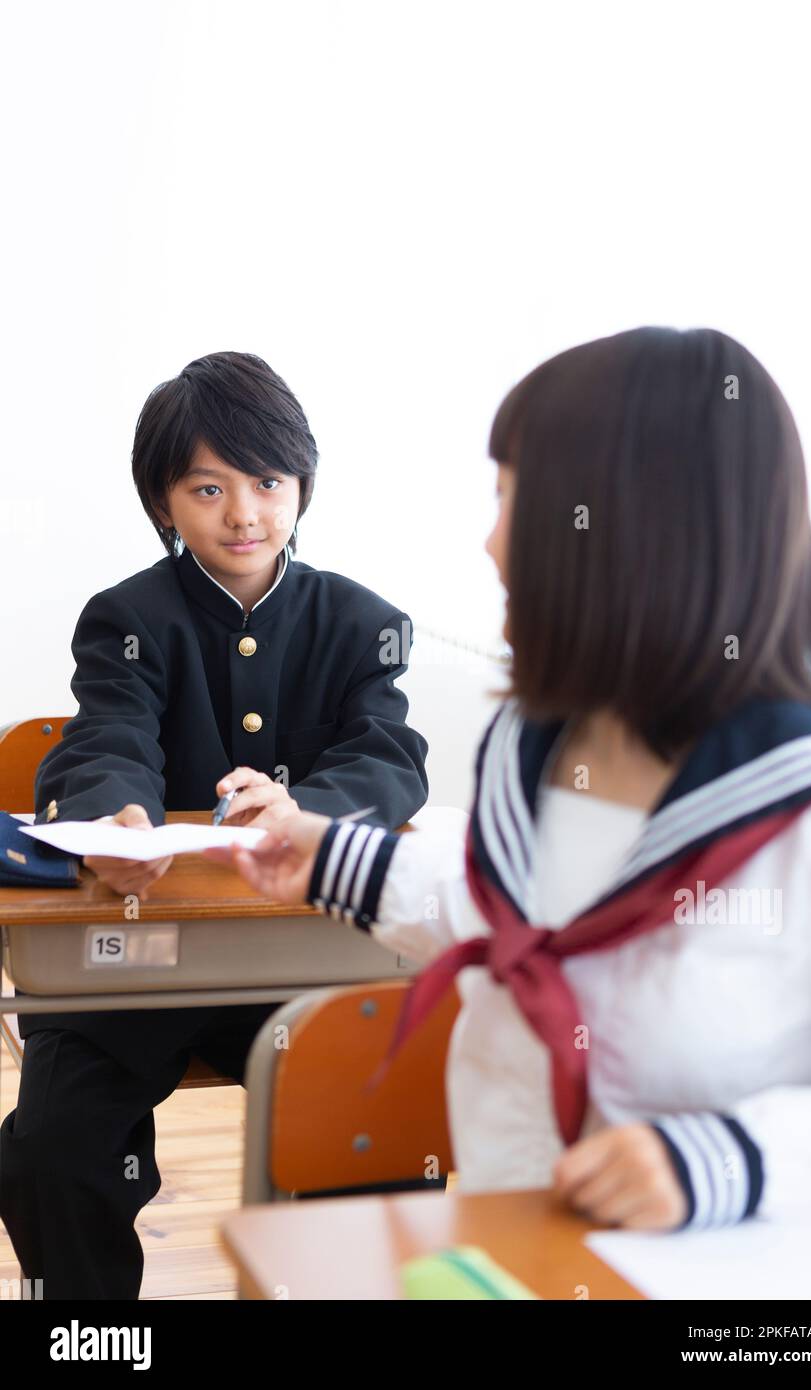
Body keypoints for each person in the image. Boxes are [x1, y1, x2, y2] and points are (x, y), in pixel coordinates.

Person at [208, 327, 811, 1233]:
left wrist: (724, 1159)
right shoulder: (541, 747)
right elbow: (516, 918)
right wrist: (329, 859)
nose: (487, 542)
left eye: (515, 499)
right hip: (515, 1247)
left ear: (636, 531)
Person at [0, 351, 428, 1298]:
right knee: (55, 1153)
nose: (245, 514)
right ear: (164, 504)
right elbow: (104, 741)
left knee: (385, 1123)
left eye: (268, 482)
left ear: (301, 485)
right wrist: (120, 821)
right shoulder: (124, 618)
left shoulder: (362, 623)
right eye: (208, 488)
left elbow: (390, 756)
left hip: (300, 966)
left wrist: (308, 810)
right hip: (139, 966)